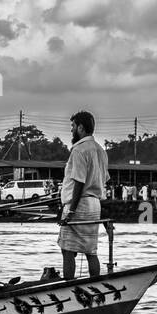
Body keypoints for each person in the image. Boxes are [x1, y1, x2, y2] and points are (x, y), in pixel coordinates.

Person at [58, 110, 109, 281]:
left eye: (72, 126)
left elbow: (79, 182)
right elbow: (103, 180)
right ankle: (95, 284)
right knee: (90, 250)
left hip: (78, 204)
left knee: (67, 249)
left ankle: (68, 285)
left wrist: (71, 211)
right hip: (95, 204)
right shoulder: (100, 150)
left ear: (80, 127)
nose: (71, 130)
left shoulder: (79, 149)